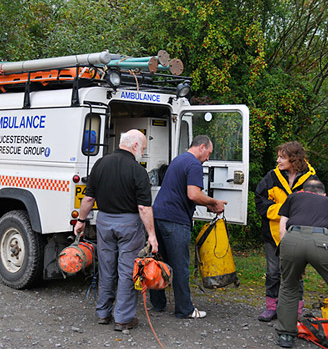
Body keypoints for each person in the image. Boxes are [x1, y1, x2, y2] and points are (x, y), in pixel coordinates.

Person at [74, 129, 159, 332]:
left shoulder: (100, 164)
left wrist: (81, 220)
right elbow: (143, 208)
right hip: (129, 225)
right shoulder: (138, 171)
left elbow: (88, 199)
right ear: (135, 146)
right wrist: (152, 235)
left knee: (106, 268)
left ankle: (103, 313)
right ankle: (122, 318)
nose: (143, 153)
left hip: (104, 222)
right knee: (127, 271)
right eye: (144, 148)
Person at [273, 178, 328, 349]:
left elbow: (282, 229)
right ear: (324, 194)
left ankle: (285, 335)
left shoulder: (294, 197)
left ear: (304, 190)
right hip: (323, 242)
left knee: (289, 285)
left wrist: (293, 257)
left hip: (291, 240)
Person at [148, 135, 226, 319]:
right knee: (180, 265)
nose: (208, 158)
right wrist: (214, 202)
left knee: (159, 261)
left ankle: (158, 304)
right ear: (201, 147)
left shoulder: (179, 159)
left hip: (158, 215)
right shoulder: (194, 165)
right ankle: (184, 309)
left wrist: (206, 203)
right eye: (209, 153)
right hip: (175, 220)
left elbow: (183, 193)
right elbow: (193, 194)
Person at [253, 141, 316, 322]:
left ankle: (295, 310)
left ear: (293, 159)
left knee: (295, 273)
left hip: (299, 234)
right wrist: (283, 212)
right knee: (273, 272)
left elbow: (314, 206)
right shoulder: (272, 177)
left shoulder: (311, 179)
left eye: (282, 157)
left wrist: (289, 213)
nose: (278, 160)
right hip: (272, 235)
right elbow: (260, 201)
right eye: (279, 156)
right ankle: (271, 308)